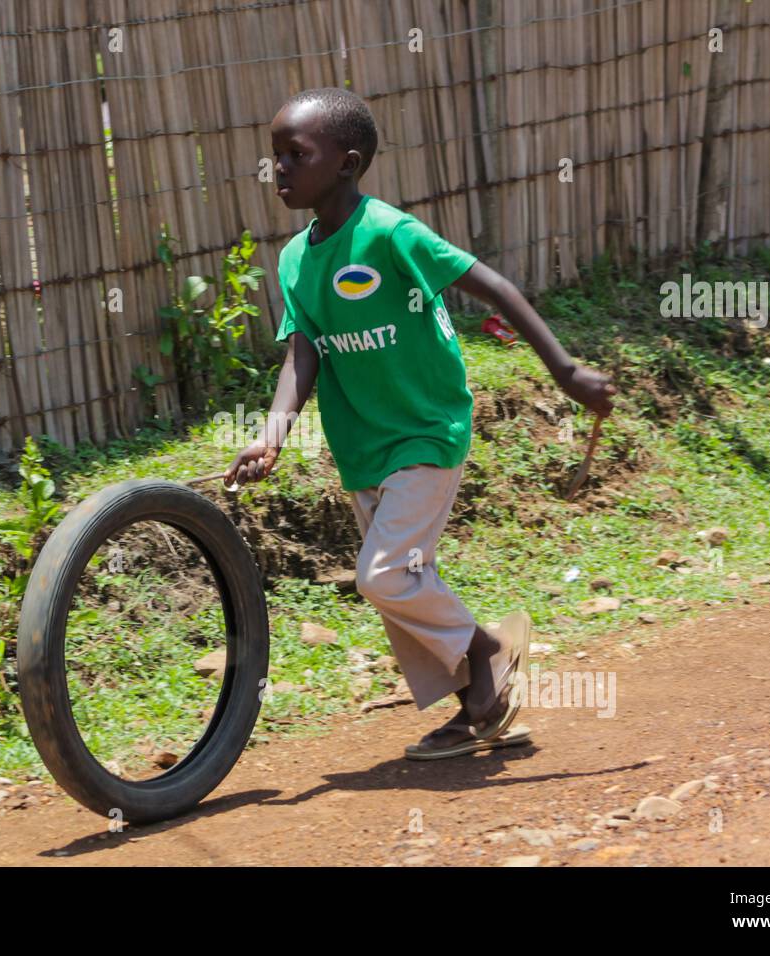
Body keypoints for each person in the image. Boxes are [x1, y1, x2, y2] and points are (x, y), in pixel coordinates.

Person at [223, 87, 616, 759]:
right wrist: (272, 432)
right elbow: (303, 349)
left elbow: (493, 287)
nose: (279, 170)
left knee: (383, 576)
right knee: (400, 583)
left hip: (427, 431)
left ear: (346, 164)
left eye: (296, 155)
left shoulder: (390, 232)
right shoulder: (294, 259)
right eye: (274, 156)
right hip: (362, 445)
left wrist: (564, 371)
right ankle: (479, 707)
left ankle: (489, 650)